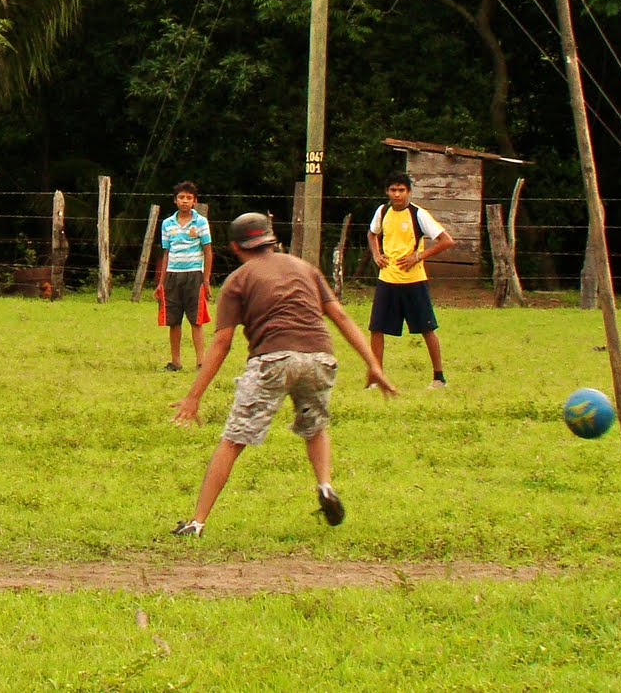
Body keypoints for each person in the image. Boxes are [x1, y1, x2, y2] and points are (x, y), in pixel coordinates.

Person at [169, 212, 396, 536]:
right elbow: (341, 317)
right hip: (319, 358)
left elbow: (221, 343)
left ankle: (197, 523)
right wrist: (373, 365)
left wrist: (193, 397)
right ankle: (326, 486)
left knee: (233, 441)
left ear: (235, 246)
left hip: (272, 361)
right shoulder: (305, 268)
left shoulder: (238, 280)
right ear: (271, 239)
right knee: (314, 426)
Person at [366, 171, 456, 389]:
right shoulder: (383, 211)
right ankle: (376, 378)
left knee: (426, 328)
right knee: (377, 329)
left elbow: (446, 241)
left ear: (408, 192)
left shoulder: (418, 214)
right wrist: (377, 255)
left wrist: (418, 256)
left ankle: (438, 377)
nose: (397, 195)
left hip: (414, 281)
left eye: (401, 190)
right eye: (393, 190)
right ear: (387, 192)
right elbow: (372, 234)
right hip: (387, 280)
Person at [154, 181, 212, 372]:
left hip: (194, 275)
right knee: (174, 321)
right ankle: (175, 361)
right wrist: (161, 283)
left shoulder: (201, 222)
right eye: (181, 197)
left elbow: (208, 251)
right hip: (172, 276)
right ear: (175, 200)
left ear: (194, 201)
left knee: (196, 320)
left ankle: (201, 362)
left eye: (188, 198)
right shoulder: (167, 224)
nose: (185, 201)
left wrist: (206, 279)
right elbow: (166, 253)